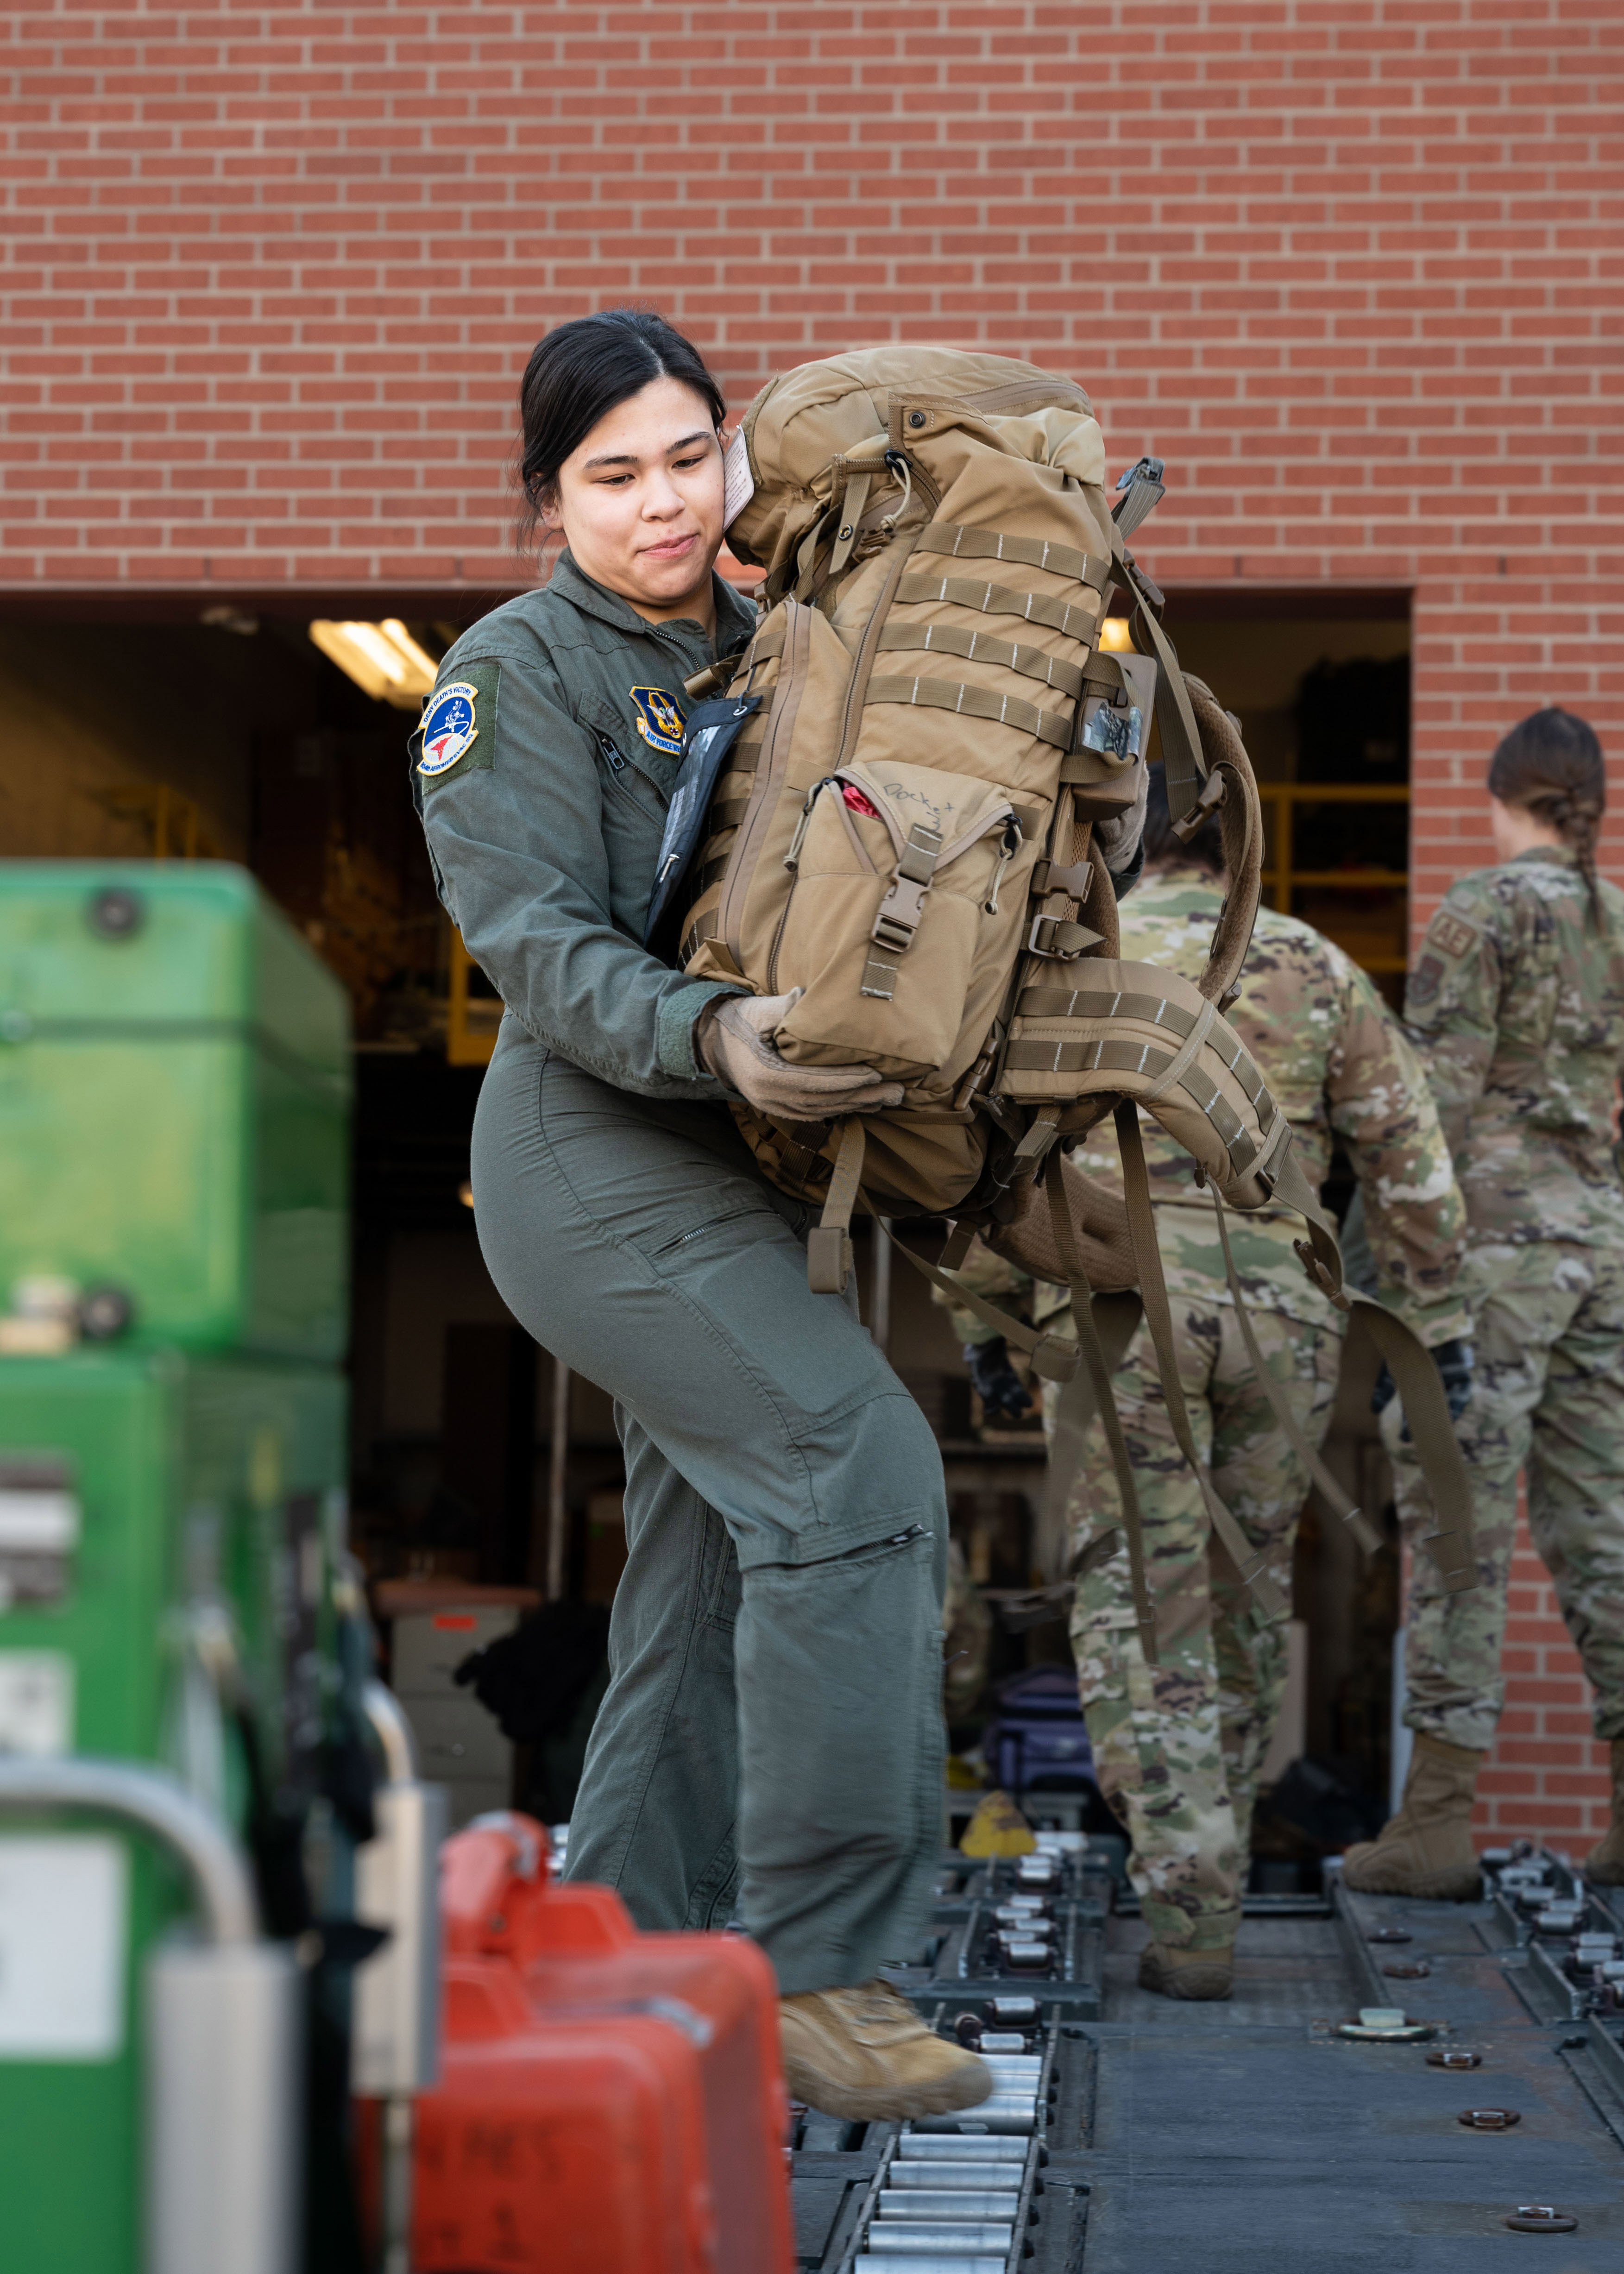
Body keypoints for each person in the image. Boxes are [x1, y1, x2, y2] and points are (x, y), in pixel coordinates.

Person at [409, 309, 1145, 2117]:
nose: (661, 504)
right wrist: (718, 1032)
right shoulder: (517, 675)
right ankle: (819, 1969)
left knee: (713, 1567)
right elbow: (538, 950)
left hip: (738, 1169)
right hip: (589, 1150)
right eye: (611, 476)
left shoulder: (788, 636)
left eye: (688, 458)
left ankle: (632, 1947)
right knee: (856, 1475)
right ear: (549, 498)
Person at [942, 765, 1471, 1996]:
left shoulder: (1079, 974)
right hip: (1282, 1319)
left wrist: (986, 1322)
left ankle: (1188, 1903)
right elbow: (1413, 1169)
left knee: (1139, 1602)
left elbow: (992, 1158)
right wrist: (1432, 1332)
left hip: (1128, 1308)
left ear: (1129, 849)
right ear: (1241, 859)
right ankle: (1209, 1866)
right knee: (1238, 1599)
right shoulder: (1318, 967)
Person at [1344, 709, 1624, 1896]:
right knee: (1602, 1523)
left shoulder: (1478, 911)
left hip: (1490, 1261)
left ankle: (1439, 1822)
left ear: (1501, 794)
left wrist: (1368, 1274)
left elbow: (1430, 1109)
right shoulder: (1611, 920)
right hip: (1597, 1244)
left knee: (1464, 1530)